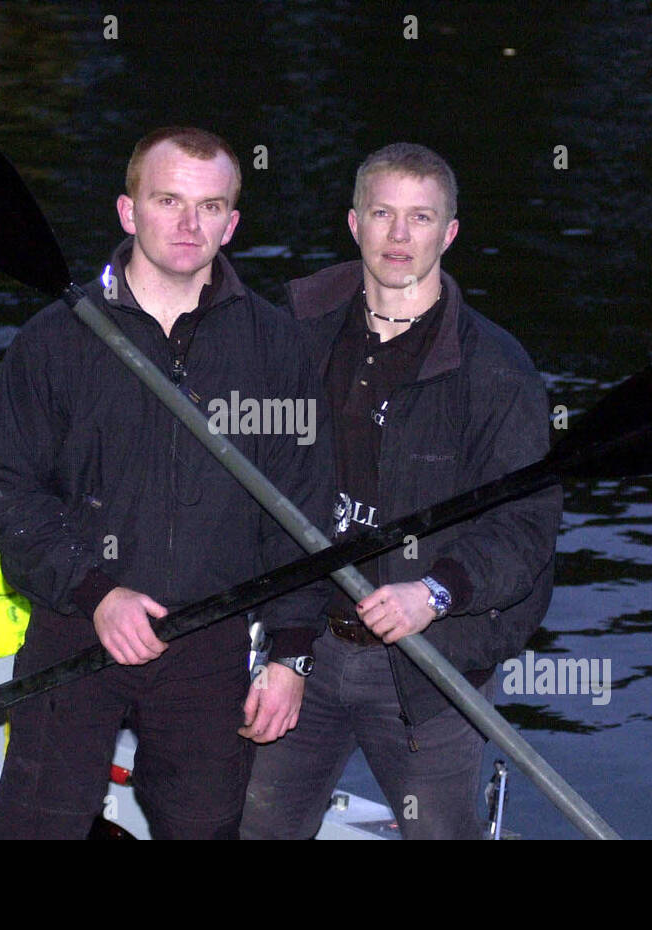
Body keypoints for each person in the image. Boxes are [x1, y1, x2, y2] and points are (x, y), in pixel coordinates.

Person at [0, 127, 331, 839]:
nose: (188, 224)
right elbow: (5, 488)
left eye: (209, 206)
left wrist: (291, 652)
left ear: (232, 223)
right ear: (128, 210)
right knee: (37, 828)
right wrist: (94, 593)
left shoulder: (276, 347)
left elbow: (301, 510)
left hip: (210, 641)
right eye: (168, 200)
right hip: (75, 630)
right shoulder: (56, 339)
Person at [241, 143, 562, 840]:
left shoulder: (498, 371)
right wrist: (285, 650)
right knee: (257, 828)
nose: (398, 235)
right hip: (307, 646)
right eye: (382, 213)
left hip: (431, 668)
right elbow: (258, 488)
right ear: (353, 223)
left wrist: (434, 593)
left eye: (420, 218)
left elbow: (525, 526)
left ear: (448, 234)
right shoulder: (293, 335)